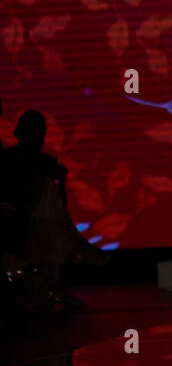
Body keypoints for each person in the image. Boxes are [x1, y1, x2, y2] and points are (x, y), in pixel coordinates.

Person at [0, 110, 102, 311]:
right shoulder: (9, 159)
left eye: (39, 134)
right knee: (47, 193)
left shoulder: (47, 162)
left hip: (39, 220)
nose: (36, 139)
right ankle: (74, 246)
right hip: (19, 216)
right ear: (21, 133)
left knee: (49, 204)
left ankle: (50, 284)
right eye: (32, 133)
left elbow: (59, 198)